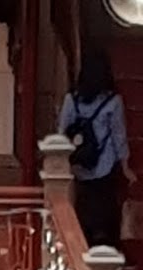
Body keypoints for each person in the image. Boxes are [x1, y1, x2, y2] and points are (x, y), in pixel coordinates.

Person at [58, 49, 136, 251]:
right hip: (104, 163)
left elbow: (63, 130)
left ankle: (82, 243)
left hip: (78, 162)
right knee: (105, 206)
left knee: (83, 204)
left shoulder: (71, 99)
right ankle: (106, 245)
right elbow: (118, 135)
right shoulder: (113, 101)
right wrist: (125, 166)